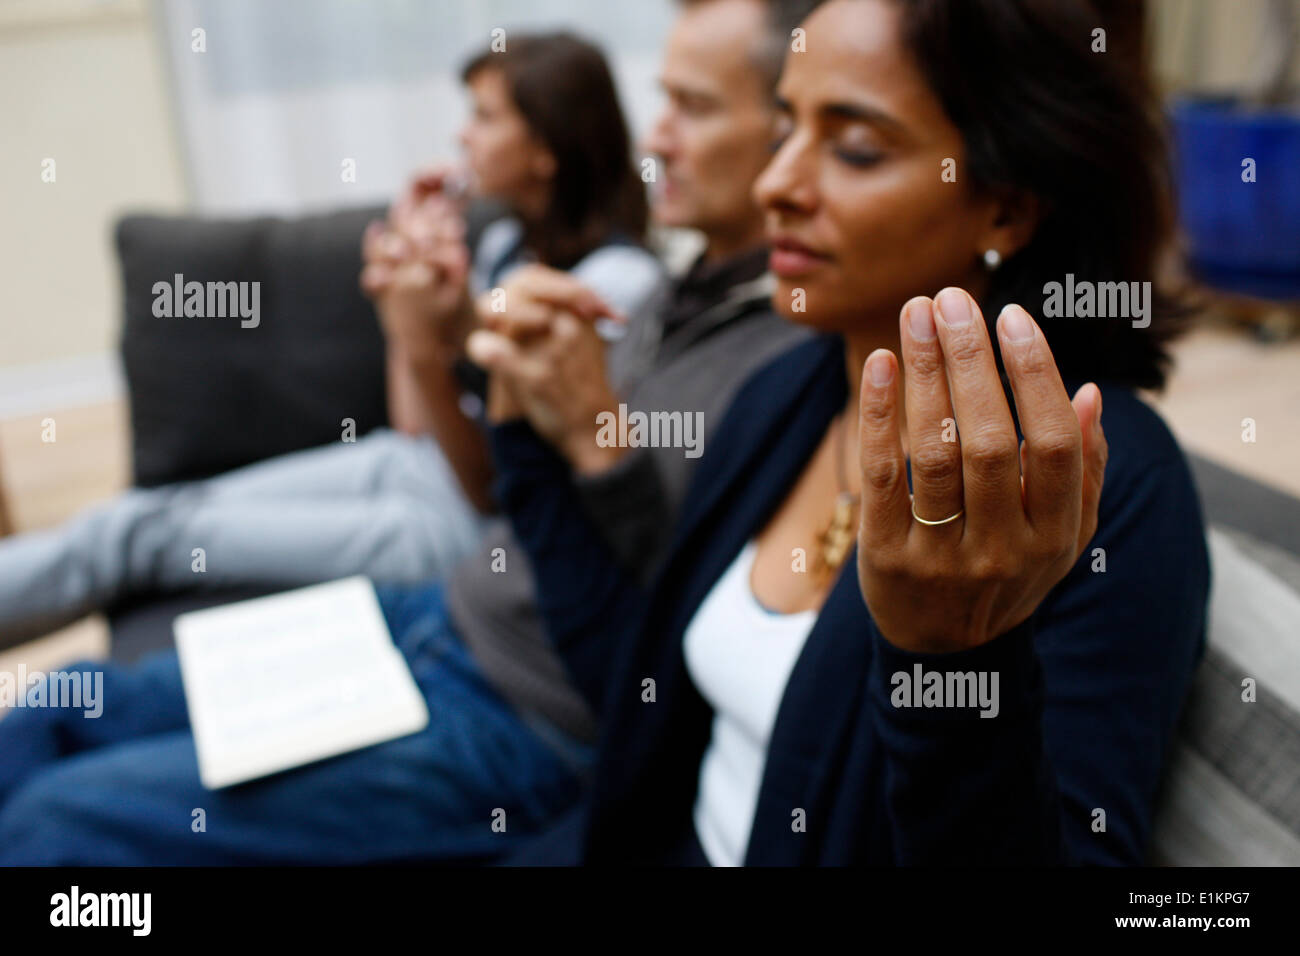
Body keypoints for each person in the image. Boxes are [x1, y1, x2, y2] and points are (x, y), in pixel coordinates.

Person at [0, 0, 817, 864]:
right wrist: (423, 329)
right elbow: (492, 476)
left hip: (518, 711)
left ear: (788, 129)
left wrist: (582, 434)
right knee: (68, 698)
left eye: (693, 107)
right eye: (663, 102)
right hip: (441, 612)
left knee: (56, 819)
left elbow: (654, 613)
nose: (657, 138)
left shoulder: (744, 343)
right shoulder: (677, 294)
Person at [482, 0, 1212, 865]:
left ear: (1006, 210)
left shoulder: (1100, 490)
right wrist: (526, 434)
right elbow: (642, 700)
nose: (776, 186)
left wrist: (948, 657)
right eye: (786, 126)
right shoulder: (785, 395)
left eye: (855, 148)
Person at [0, 31, 663, 647]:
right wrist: (407, 301)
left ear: (546, 149)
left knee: (144, 536)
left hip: (465, 530)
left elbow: (492, 492)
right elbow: (413, 428)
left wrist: (436, 338)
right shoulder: (507, 244)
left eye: (486, 118)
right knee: (144, 513)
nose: (463, 137)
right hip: (413, 467)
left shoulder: (611, 288)